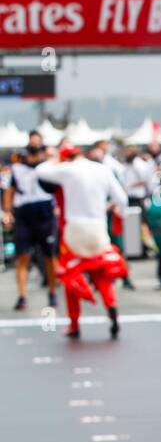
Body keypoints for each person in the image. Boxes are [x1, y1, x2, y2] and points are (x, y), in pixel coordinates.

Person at [35, 145, 129, 339]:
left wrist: (54, 160)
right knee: (102, 274)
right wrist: (119, 211)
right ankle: (111, 307)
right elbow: (122, 198)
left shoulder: (67, 170)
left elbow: (40, 171)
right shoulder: (102, 170)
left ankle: (74, 323)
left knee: (70, 274)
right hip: (98, 228)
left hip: (74, 229)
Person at [2, 137, 58, 311]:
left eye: (37, 145)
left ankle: (52, 292)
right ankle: (21, 296)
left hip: (45, 214)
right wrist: (8, 212)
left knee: (50, 257)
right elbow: (10, 192)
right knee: (22, 257)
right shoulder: (17, 169)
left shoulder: (49, 167)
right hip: (24, 215)